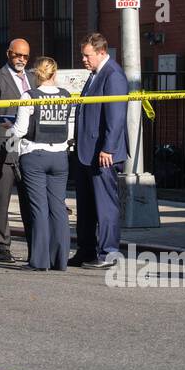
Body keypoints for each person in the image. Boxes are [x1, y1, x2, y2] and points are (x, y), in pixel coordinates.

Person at [10, 57, 74, 272]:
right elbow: (69, 128)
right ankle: (60, 260)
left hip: (34, 155)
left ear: (35, 75)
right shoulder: (66, 96)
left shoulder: (29, 96)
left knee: (39, 209)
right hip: (60, 156)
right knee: (58, 208)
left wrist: (9, 134)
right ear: (55, 74)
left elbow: (19, 130)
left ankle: (39, 261)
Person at [70, 33, 127, 269]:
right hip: (86, 152)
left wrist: (109, 148)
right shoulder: (94, 75)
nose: (83, 59)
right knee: (85, 206)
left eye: (87, 55)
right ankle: (86, 250)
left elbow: (116, 115)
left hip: (102, 153)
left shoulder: (112, 75)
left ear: (101, 52)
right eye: (82, 55)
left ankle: (109, 252)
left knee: (105, 206)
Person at [0, 38, 37, 263]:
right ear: (8, 54)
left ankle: (35, 244)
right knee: (2, 199)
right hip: (5, 144)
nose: (21, 60)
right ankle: (3, 246)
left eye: (25, 56)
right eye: (17, 55)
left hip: (29, 146)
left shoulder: (34, 78)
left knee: (30, 198)